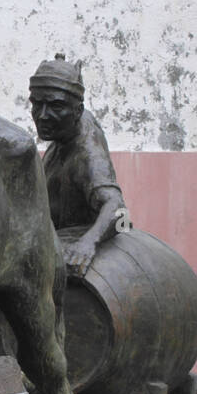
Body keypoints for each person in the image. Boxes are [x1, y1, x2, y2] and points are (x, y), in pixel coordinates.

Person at [29, 53, 128, 277]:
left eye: (55, 106)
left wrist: (88, 243)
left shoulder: (87, 149)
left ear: (77, 110)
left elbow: (120, 212)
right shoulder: (63, 132)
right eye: (37, 104)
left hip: (71, 242)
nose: (42, 116)